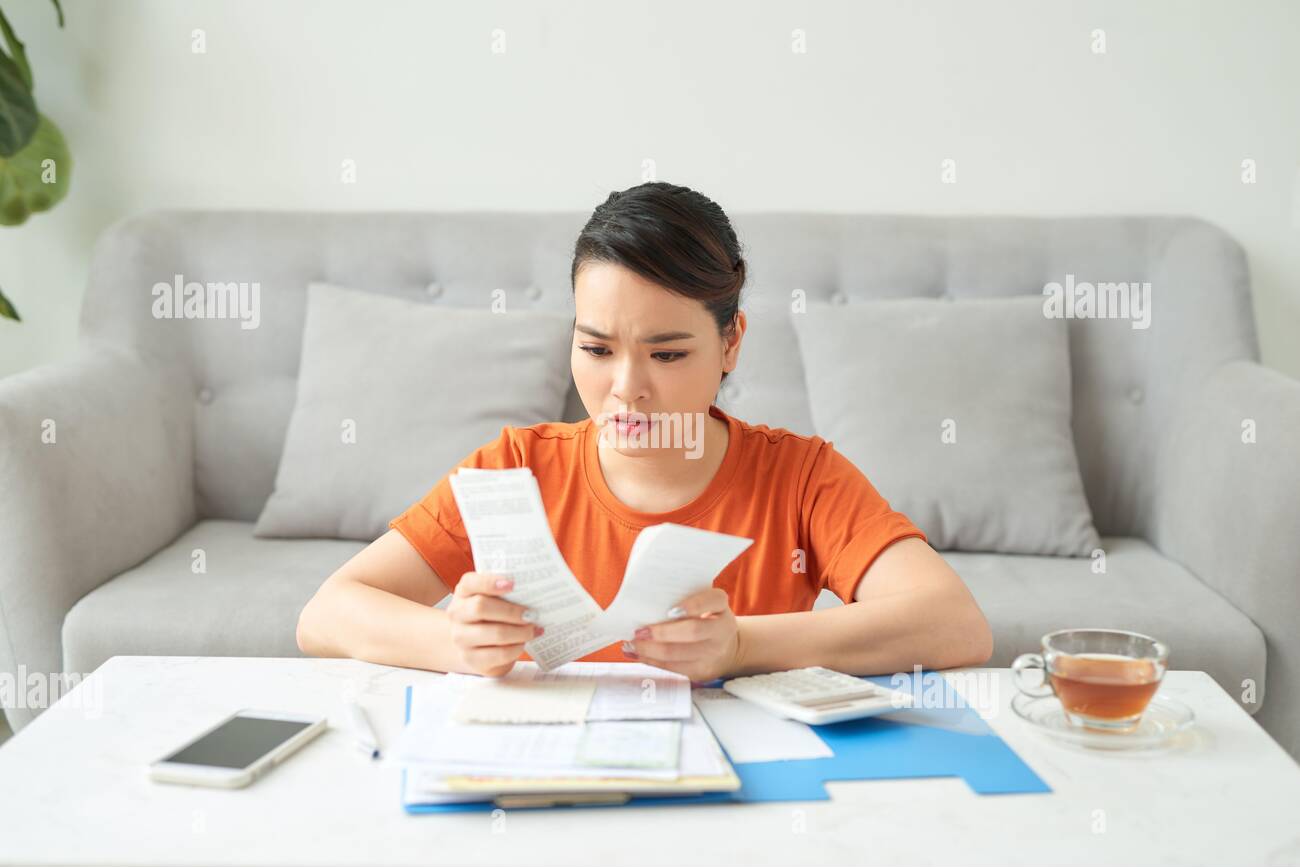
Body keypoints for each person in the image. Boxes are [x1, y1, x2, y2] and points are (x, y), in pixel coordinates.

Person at [297, 182, 992, 682]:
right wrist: (455, 637)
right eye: (596, 350)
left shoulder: (801, 476)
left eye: (666, 354)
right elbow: (326, 614)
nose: (626, 388)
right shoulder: (516, 467)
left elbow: (955, 623)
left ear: (731, 343)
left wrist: (739, 645)